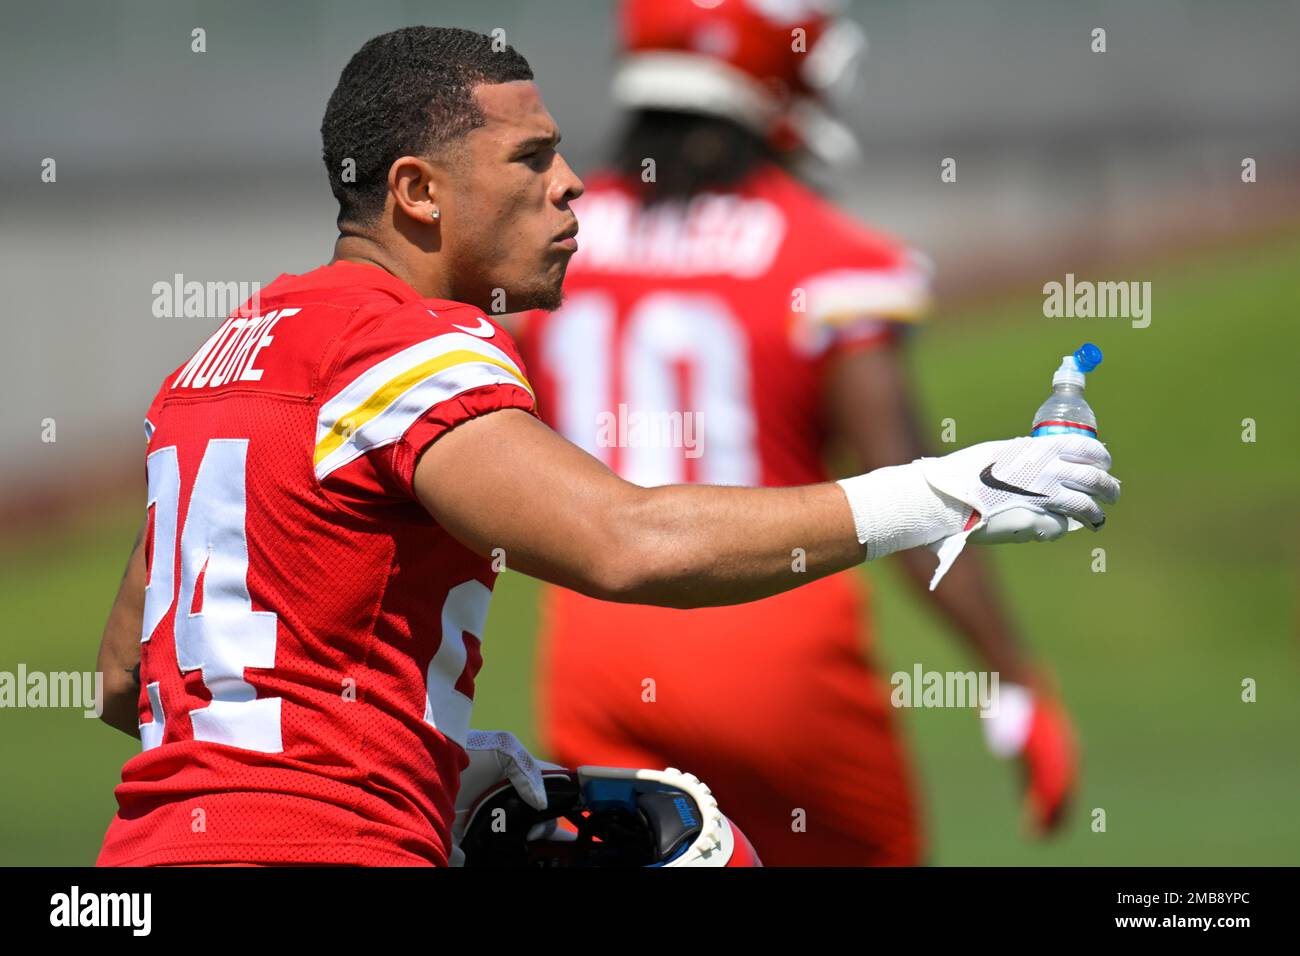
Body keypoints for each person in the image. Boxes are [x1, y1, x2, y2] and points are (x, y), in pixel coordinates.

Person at [93, 25, 1117, 867]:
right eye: (533, 160)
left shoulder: (222, 352)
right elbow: (624, 540)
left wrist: (430, 755)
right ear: (417, 192)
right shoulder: (409, 338)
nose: (576, 184)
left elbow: (122, 678)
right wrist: (941, 493)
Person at [516, 0, 1087, 865]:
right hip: (776, 654)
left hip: (598, 654)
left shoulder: (556, 241)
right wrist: (1013, 672)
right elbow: (909, 490)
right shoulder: (824, 256)